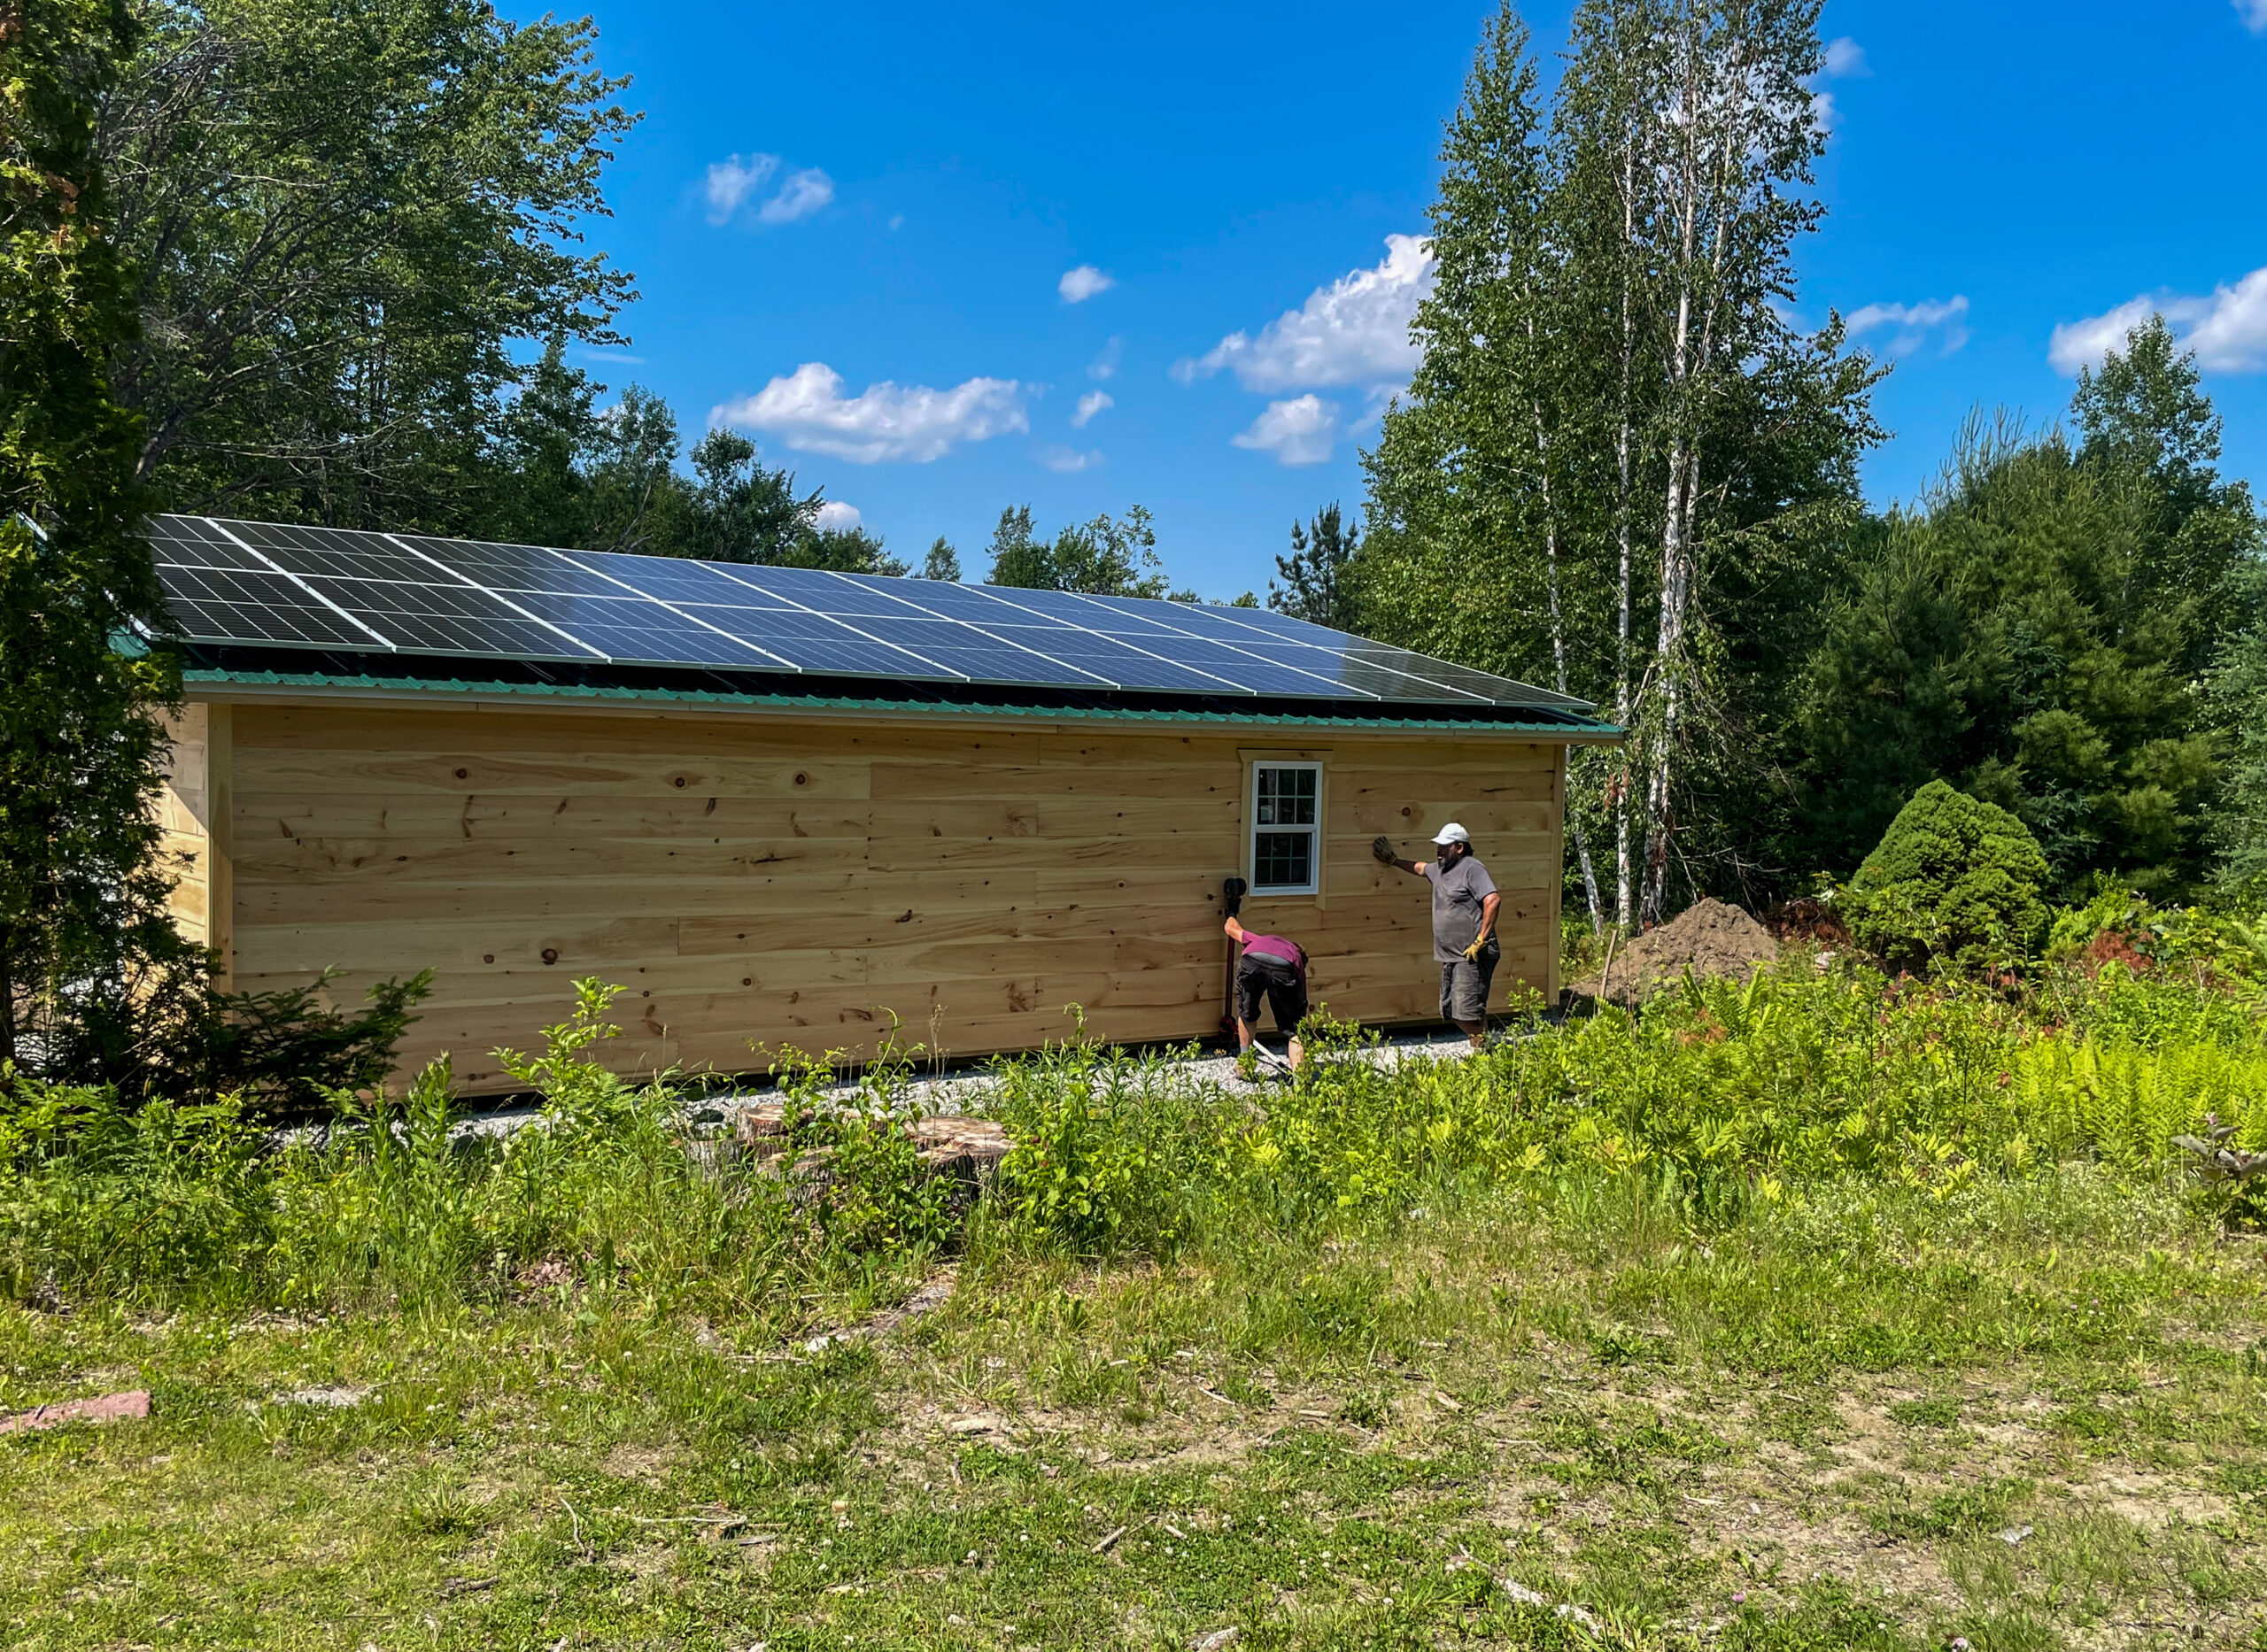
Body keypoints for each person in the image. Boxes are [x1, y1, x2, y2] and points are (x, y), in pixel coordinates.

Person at [1372, 822, 1500, 1049]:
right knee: (1454, 1010)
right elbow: (1420, 868)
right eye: (1438, 846)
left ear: (1459, 847)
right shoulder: (1440, 869)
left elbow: (1493, 900)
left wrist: (1480, 939)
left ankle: (1492, 1048)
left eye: (1444, 846)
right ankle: (1483, 1052)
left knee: (1464, 1013)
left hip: (1472, 955)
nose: (1438, 850)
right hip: (1452, 955)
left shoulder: (1471, 868)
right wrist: (1393, 860)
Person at [1223, 915, 1308, 1072]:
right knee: (1295, 1029)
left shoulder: (1261, 940)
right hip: (1284, 966)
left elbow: (1231, 928)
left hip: (1251, 958)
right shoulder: (1296, 957)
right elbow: (1300, 998)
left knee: (1247, 1013)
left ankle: (1244, 1065)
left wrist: (1231, 914)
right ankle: (1300, 1080)